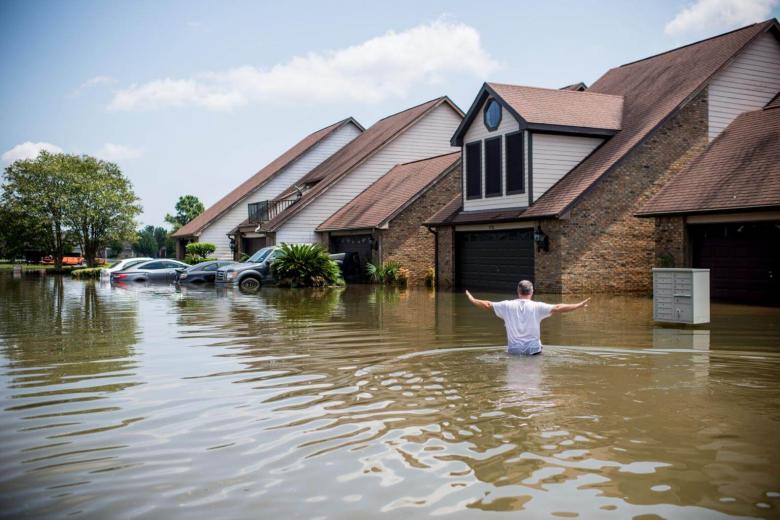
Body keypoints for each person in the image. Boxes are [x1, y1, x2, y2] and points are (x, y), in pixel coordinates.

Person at [465, 280, 590, 355]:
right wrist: (578, 305)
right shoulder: (538, 306)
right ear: (532, 292)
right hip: (534, 351)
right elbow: (558, 307)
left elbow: (487, 305)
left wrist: (473, 299)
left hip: (514, 351)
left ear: (518, 291)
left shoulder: (506, 305)